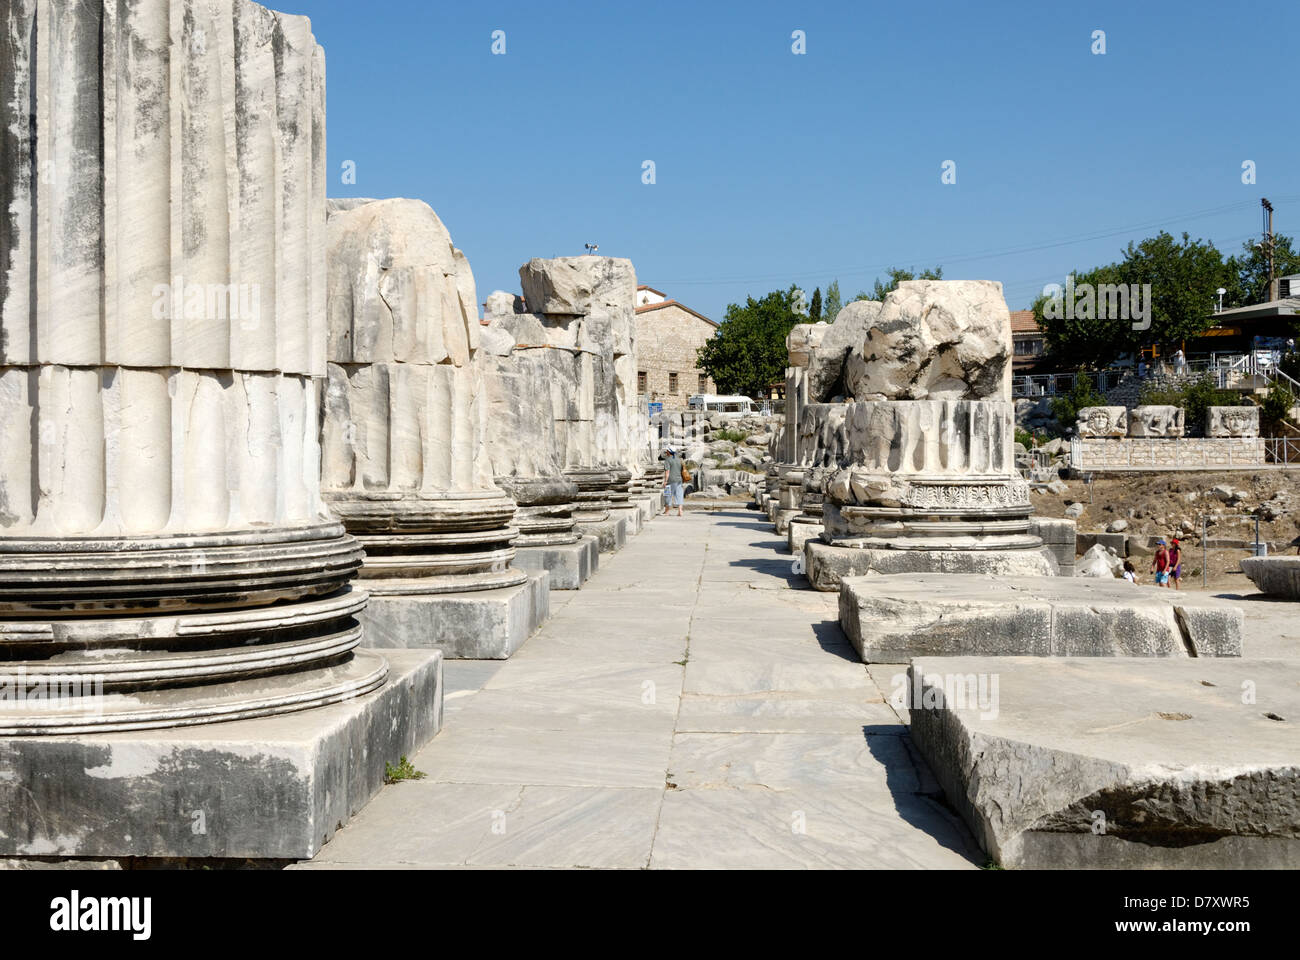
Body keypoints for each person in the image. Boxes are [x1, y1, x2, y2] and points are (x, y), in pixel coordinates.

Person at [662, 448, 685, 518]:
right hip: (679, 479)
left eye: (667, 451)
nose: (666, 452)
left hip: (670, 480)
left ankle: (667, 511)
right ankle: (680, 510)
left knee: (667, 495)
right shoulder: (679, 459)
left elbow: (667, 472)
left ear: (669, 452)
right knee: (679, 494)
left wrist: (665, 481)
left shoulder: (667, 460)